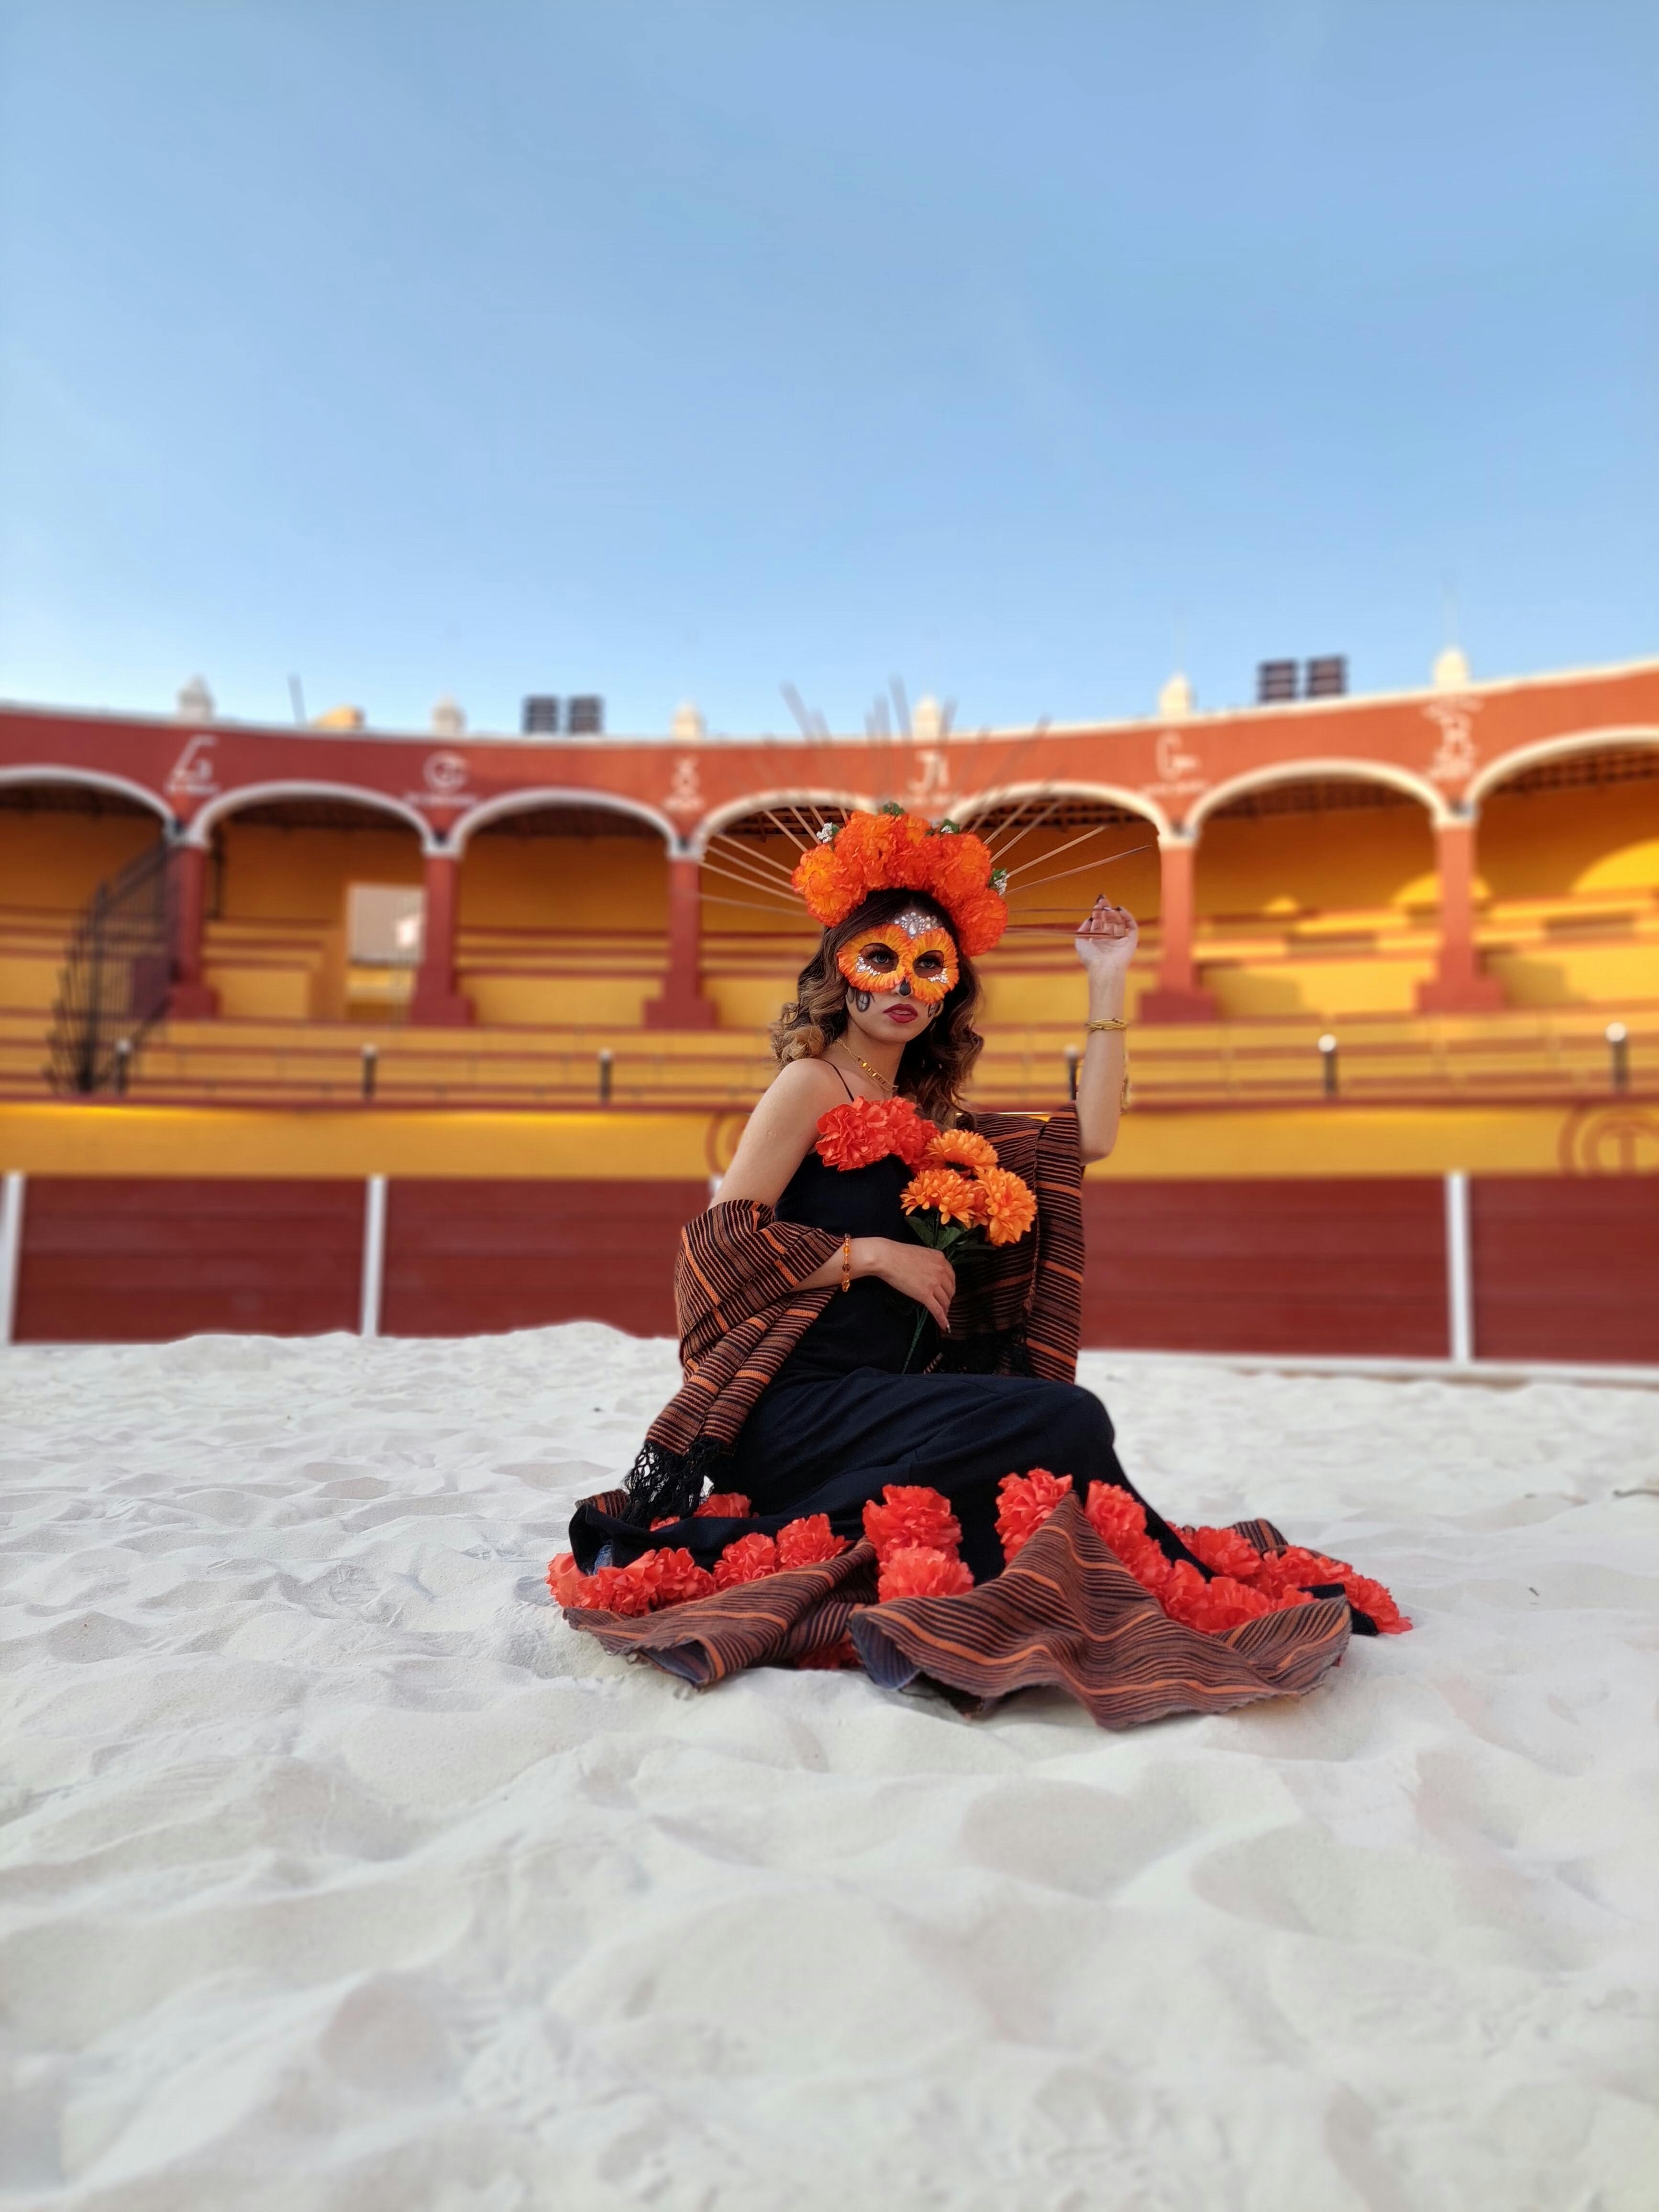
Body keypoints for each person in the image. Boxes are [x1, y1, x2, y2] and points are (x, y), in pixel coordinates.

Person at [556, 808, 1398, 1727]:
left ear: (953, 987)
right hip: (797, 1407)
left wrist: (1107, 982)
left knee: (1052, 1432)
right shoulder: (811, 1084)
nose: (905, 986)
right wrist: (871, 1255)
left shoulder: (928, 1117)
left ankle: (1086, 1596)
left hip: (880, 1397)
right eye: (882, 959)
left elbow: (1095, 1135)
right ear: (842, 966)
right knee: (1066, 1416)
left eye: (932, 967)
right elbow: (715, 1249)